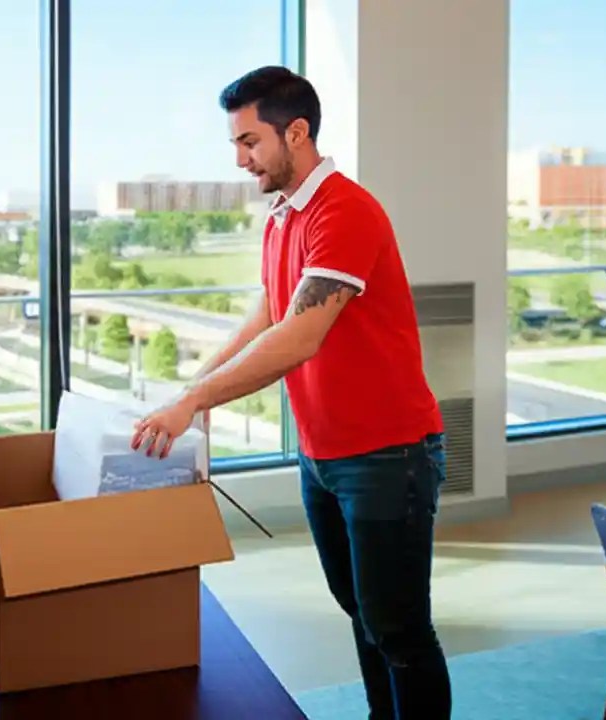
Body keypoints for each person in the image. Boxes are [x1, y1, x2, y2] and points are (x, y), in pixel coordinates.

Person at [130, 65, 452, 719]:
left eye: (249, 142)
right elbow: (267, 317)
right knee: (360, 613)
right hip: (324, 455)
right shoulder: (284, 217)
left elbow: (300, 336)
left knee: (398, 629)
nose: (241, 159)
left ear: (296, 132)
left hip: (389, 455)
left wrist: (198, 402)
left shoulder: (345, 212)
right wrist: (191, 390)